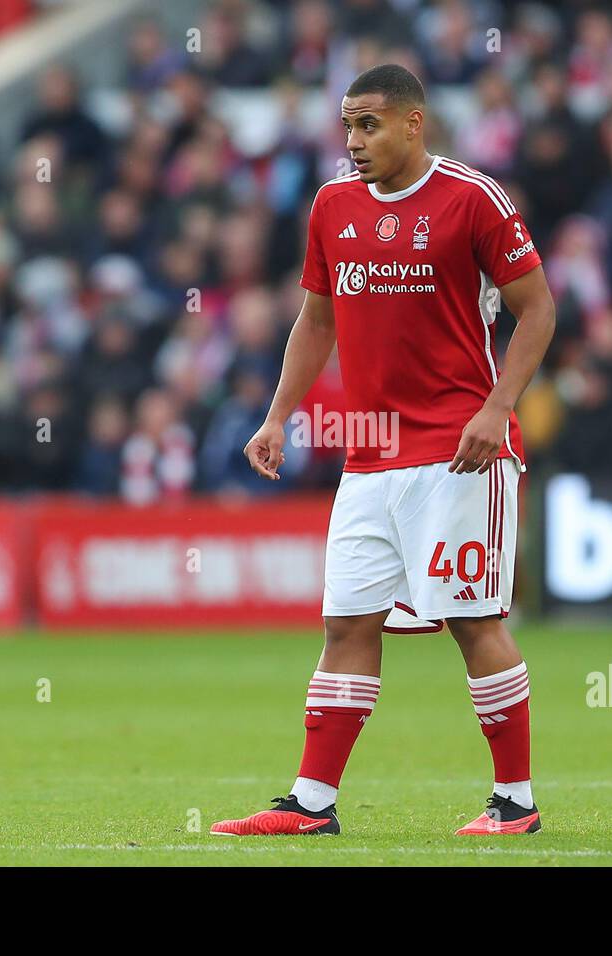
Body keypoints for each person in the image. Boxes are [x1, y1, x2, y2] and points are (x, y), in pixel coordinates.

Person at [210, 64, 556, 838]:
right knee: (348, 624)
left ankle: (516, 801)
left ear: (412, 123)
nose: (355, 142)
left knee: (474, 622)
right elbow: (316, 321)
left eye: (369, 125)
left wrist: (498, 409)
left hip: (460, 450)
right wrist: (277, 418)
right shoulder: (332, 205)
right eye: (347, 127)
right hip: (369, 457)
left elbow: (538, 311)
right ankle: (311, 802)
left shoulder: (475, 199)